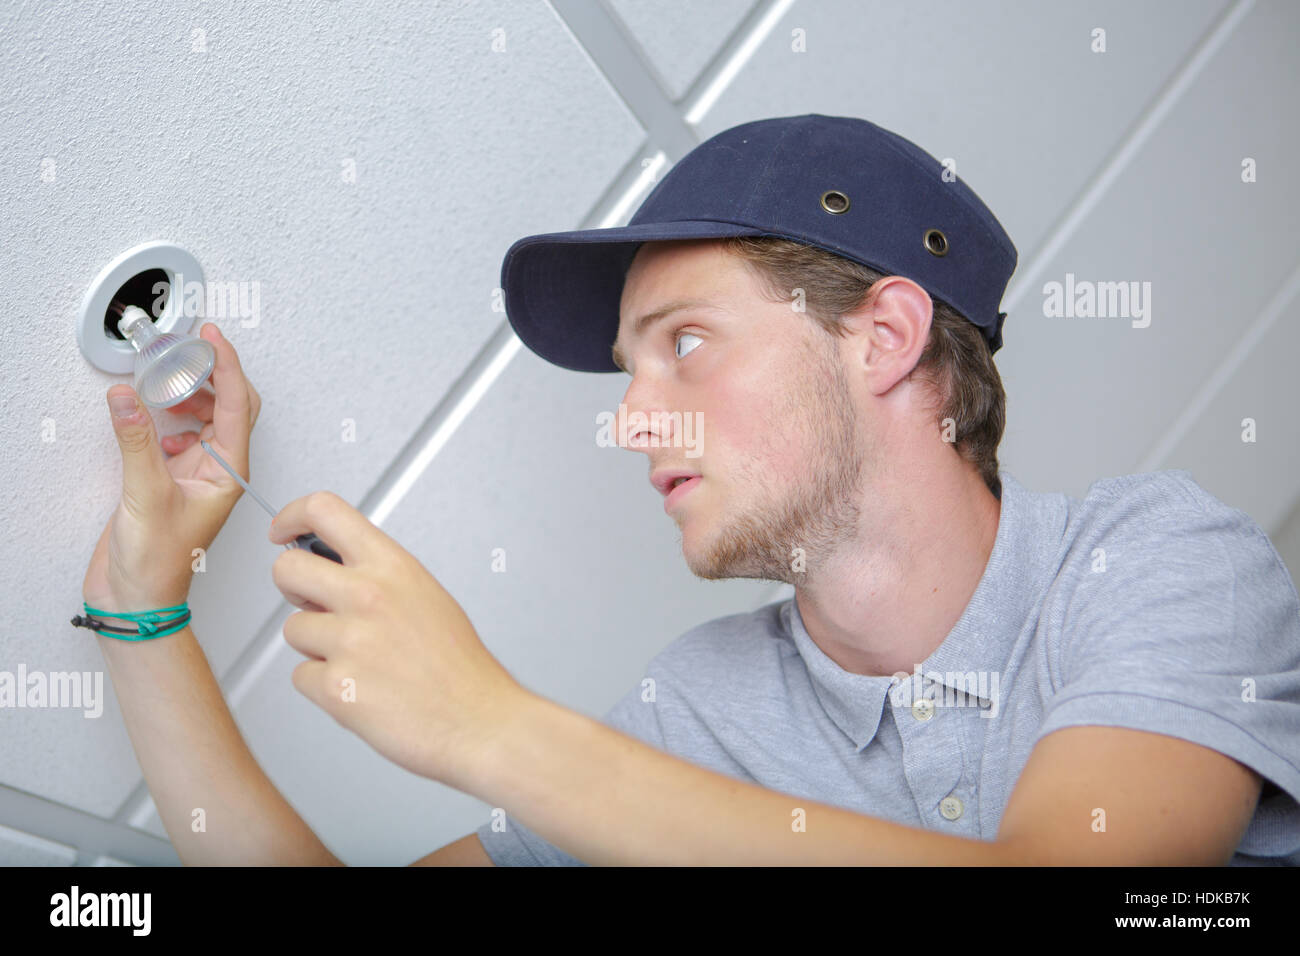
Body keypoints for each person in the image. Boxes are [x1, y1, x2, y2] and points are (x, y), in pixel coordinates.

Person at [80, 115, 1300, 866]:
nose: (630, 419)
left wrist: (492, 728)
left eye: (687, 343)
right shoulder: (697, 709)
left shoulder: (1154, 559)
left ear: (882, 338)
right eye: (627, 370)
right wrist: (142, 606)